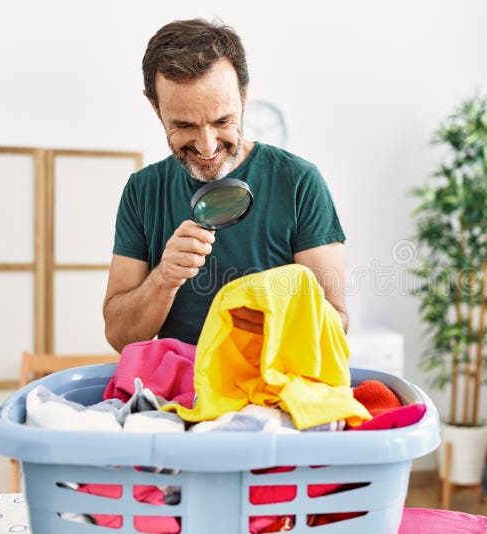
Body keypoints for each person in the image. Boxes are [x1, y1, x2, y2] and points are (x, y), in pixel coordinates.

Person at [103, 18, 348, 352]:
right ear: (155, 107)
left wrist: (265, 316)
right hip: (180, 394)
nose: (206, 147)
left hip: (274, 384)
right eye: (184, 125)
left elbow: (337, 322)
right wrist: (164, 278)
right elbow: (120, 336)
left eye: (222, 121)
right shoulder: (143, 190)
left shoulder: (299, 182)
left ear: (244, 97)